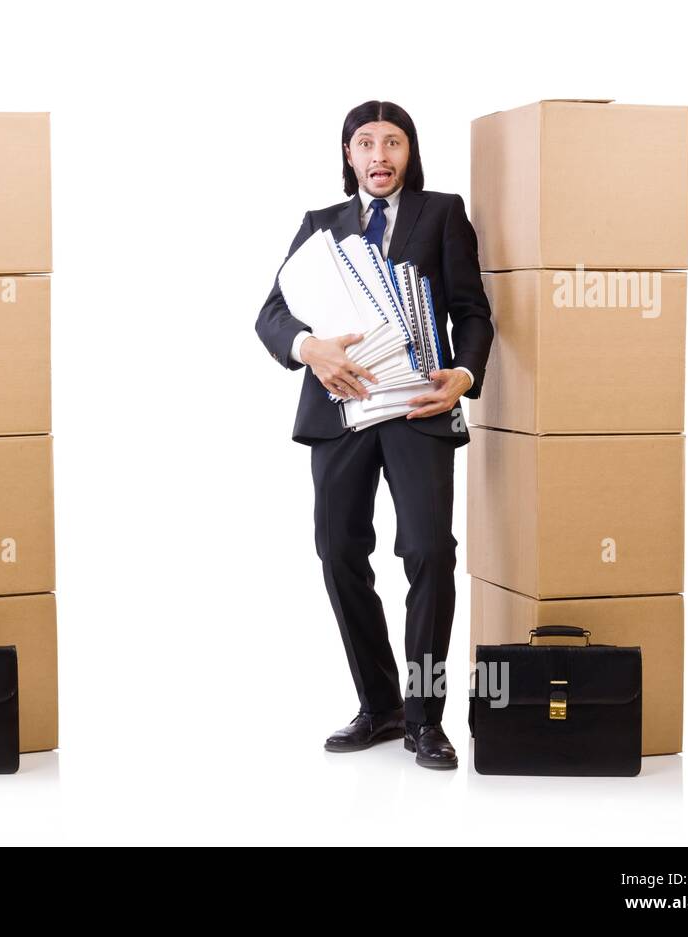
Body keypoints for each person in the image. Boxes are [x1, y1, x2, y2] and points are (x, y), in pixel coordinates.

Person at [255, 100, 494, 769]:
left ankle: (426, 716)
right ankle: (381, 704)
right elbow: (271, 312)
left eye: (394, 142)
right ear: (348, 154)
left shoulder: (441, 213)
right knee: (338, 553)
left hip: (419, 407)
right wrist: (309, 348)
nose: (380, 156)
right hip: (340, 412)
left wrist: (466, 375)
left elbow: (473, 311)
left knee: (429, 553)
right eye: (366, 143)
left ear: (410, 153)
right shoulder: (319, 225)